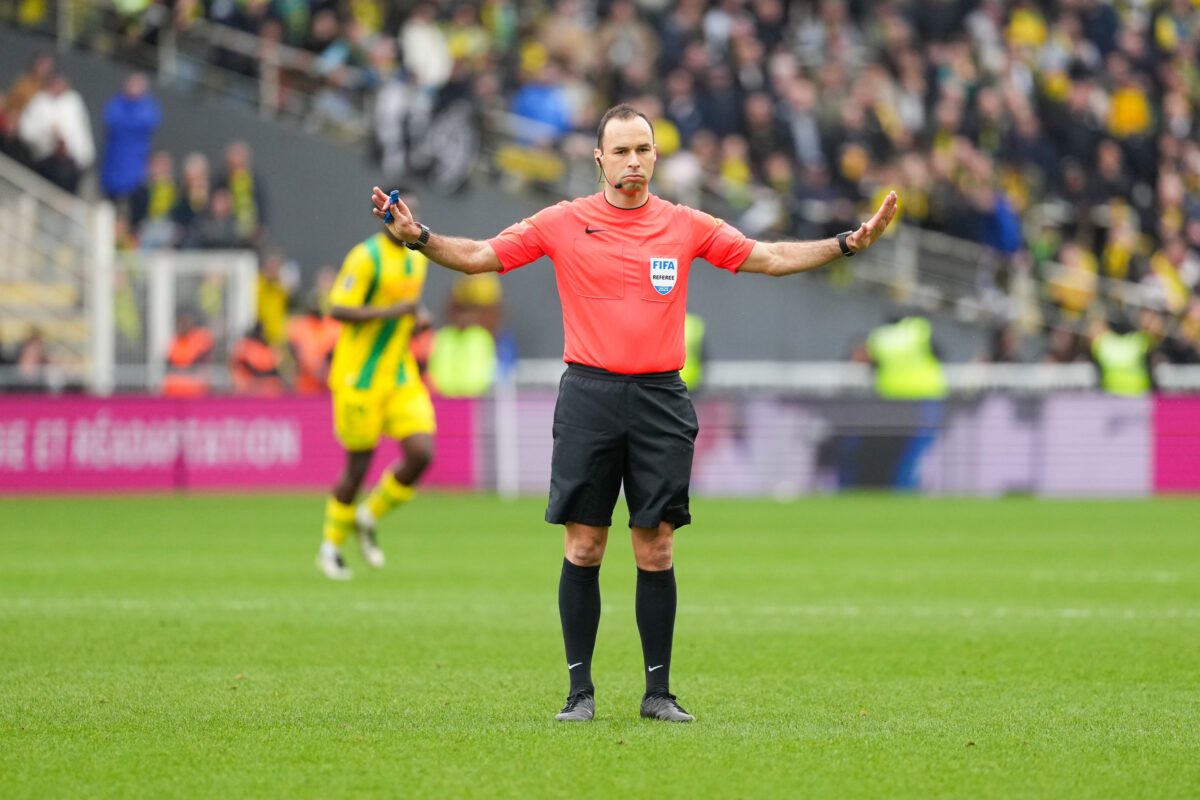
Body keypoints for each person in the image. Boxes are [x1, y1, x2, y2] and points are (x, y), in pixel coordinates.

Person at [371, 104, 899, 722]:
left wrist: (847, 243)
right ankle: (579, 694)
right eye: (620, 151)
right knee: (585, 544)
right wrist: (422, 238)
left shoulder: (684, 224)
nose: (633, 161)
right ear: (599, 160)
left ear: (655, 156)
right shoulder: (563, 222)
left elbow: (769, 257)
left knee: (657, 549)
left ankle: (658, 694)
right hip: (589, 395)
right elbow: (483, 255)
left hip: (660, 398)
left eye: (642, 150)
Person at [316, 193, 436, 581]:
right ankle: (330, 548)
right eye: (400, 212)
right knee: (358, 465)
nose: (407, 218)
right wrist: (393, 313)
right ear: (386, 216)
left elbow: (406, 309)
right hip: (359, 378)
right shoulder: (365, 257)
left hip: (399, 374)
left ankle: (368, 517)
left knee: (421, 453)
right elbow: (337, 308)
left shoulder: (417, 257)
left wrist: (415, 320)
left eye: (411, 213)